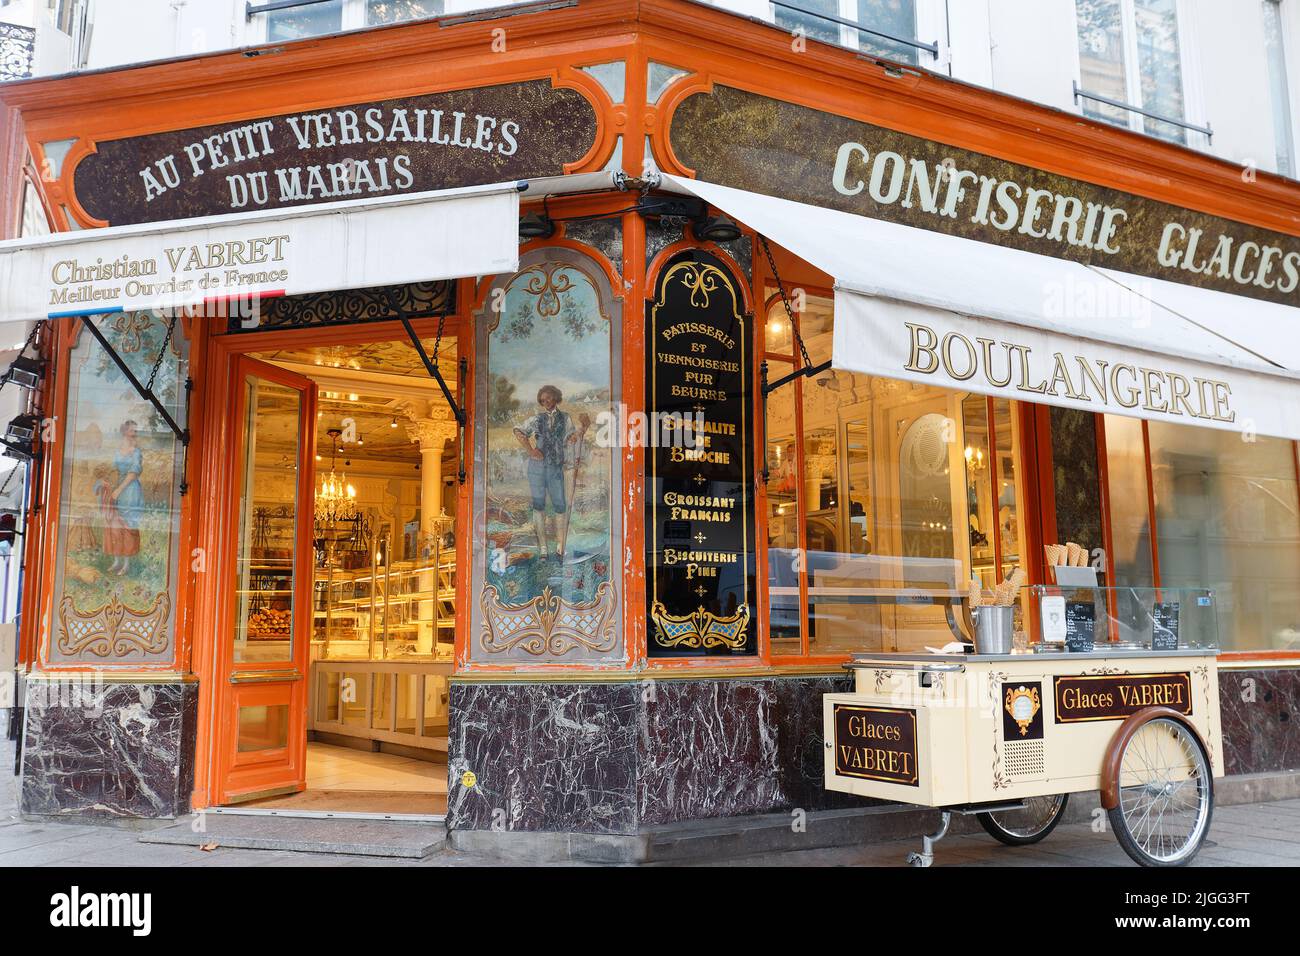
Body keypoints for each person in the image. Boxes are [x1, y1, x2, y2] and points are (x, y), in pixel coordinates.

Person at [513, 385, 589, 561]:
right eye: (543, 400)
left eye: (549, 398)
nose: (546, 402)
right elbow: (518, 431)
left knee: (560, 506)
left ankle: (561, 548)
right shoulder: (536, 419)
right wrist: (531, 450)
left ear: (556, 398)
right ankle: (543, 551)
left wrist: (583, 429)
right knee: (539, 505)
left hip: (555, 469)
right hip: (537, 469)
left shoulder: (566, 418)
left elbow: (571, 440)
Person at [94, 420, 144, 575]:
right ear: (124, 432)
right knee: (115, 526)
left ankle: (127, 563)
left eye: (135, 431)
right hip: (118, 487)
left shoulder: (136, 452)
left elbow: (133, 473)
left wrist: (119, 490)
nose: (134, 433)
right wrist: (107, 483)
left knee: (127, 527)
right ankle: (117, 560)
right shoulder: (117, 451)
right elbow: (114, 470)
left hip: (130, 490)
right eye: (131, 431)